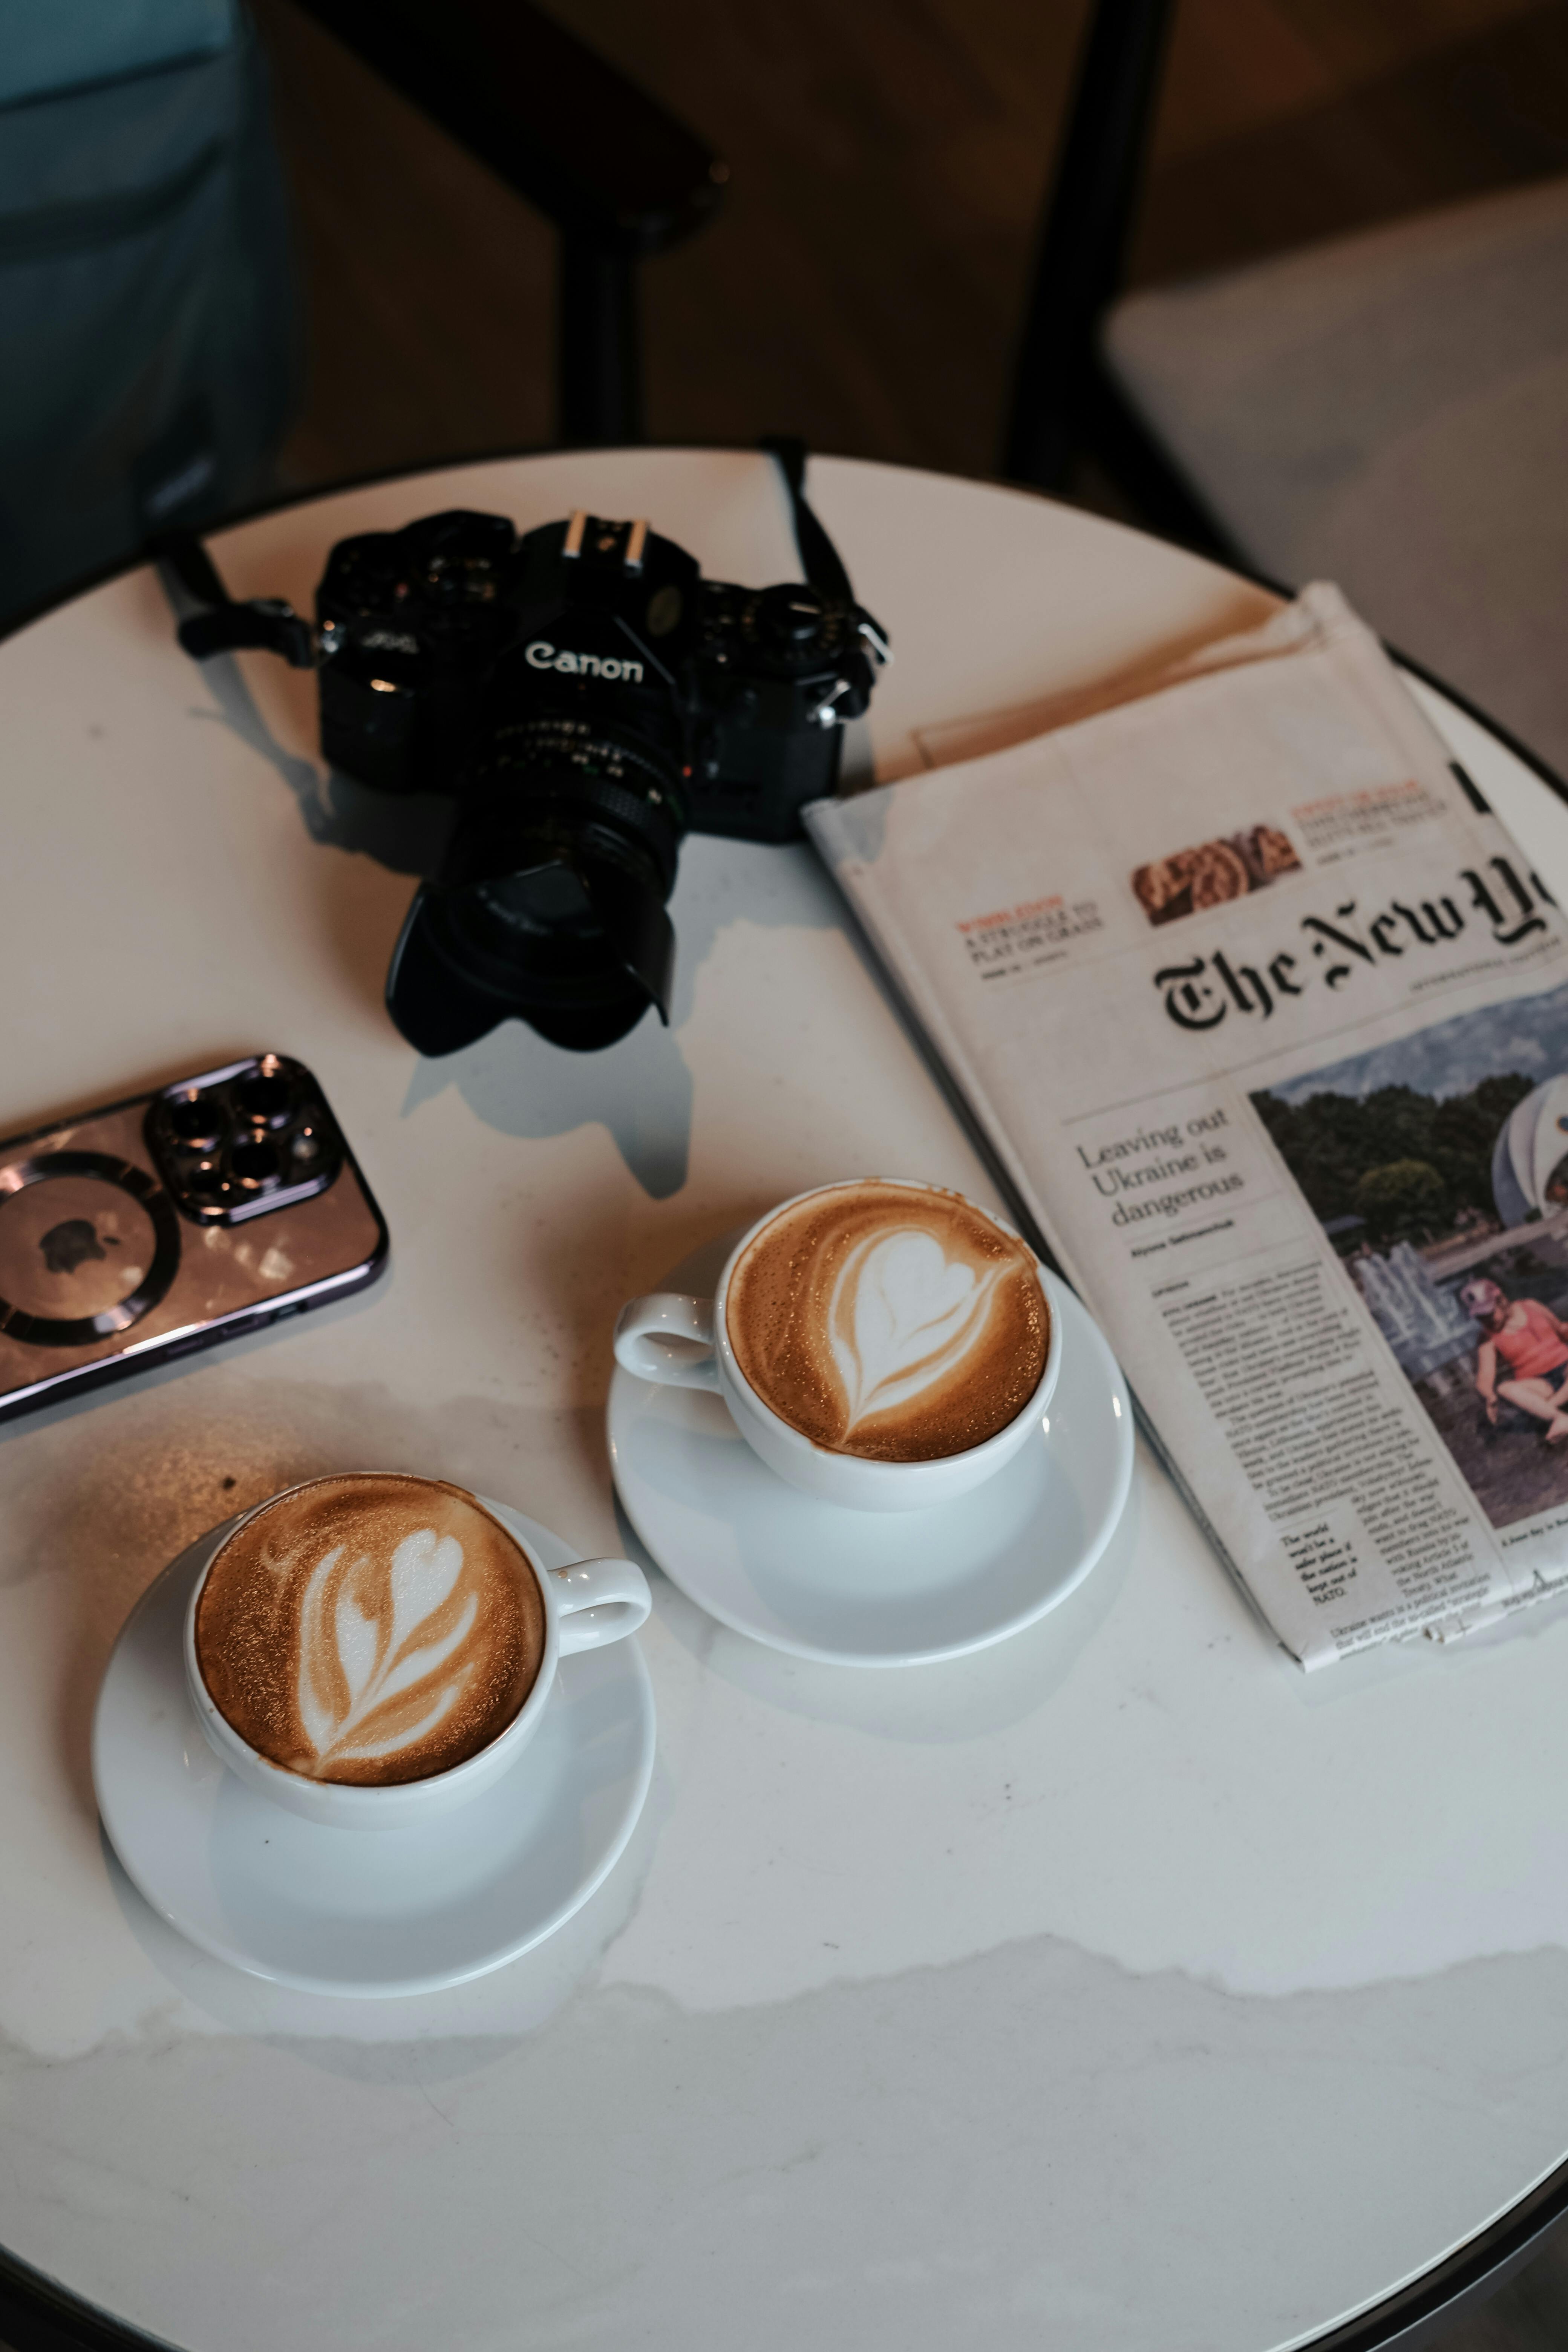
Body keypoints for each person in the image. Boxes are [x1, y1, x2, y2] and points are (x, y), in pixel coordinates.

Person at [1462, 1277, 1568, 1442]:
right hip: (1540, 1385)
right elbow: (1485, 1377)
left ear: (1501, 1300)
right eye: (1481, 1318)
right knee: (1505, 1389)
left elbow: (1561, 1330)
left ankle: (1546, 1408)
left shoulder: (1531, 1306)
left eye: (1489, 1314)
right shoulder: (1487, 1339)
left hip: (1566, 1366)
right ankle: (1558, 1417)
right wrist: (1489, 1397)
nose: (1487, 1321)